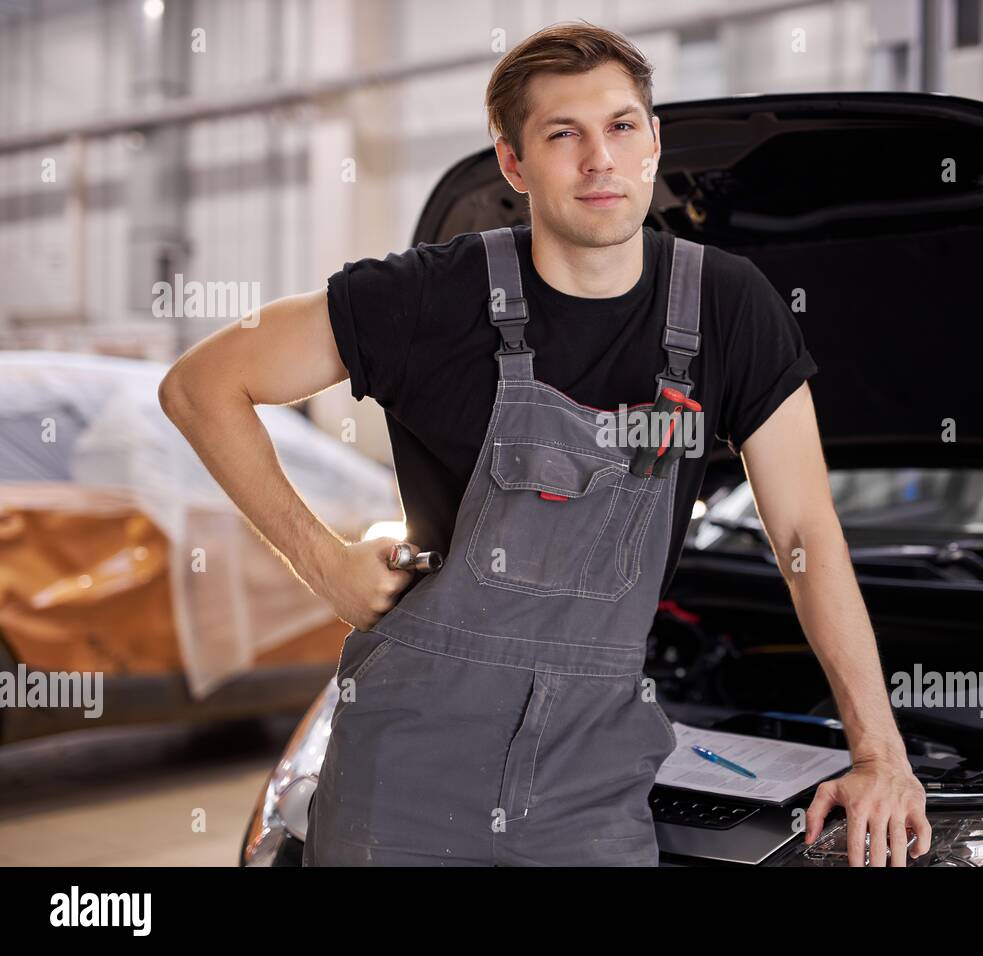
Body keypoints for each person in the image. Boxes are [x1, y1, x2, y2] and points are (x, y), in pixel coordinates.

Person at [158, 20, 930, 867]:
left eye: (622, 127)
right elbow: (200, 385)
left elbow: (805, 534)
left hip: (591, 788)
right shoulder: (429, 296)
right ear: (514, 164)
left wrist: (879, 754)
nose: (600, 159)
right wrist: (325, 562)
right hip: (405, 777)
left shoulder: (728, 308)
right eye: (564, 134)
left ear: (653, 141)